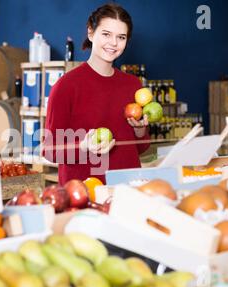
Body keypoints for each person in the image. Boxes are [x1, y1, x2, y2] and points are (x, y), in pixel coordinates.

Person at [42, 3, 150, 185]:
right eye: (106, 34)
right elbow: (50, 150)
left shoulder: (133, 85)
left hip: (128, 188)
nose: (113, 43)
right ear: (91, 33)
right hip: (84, 192)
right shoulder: (66, 86)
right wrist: (84, 147)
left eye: (121, 37)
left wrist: (140, 130)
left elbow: (140, 149)